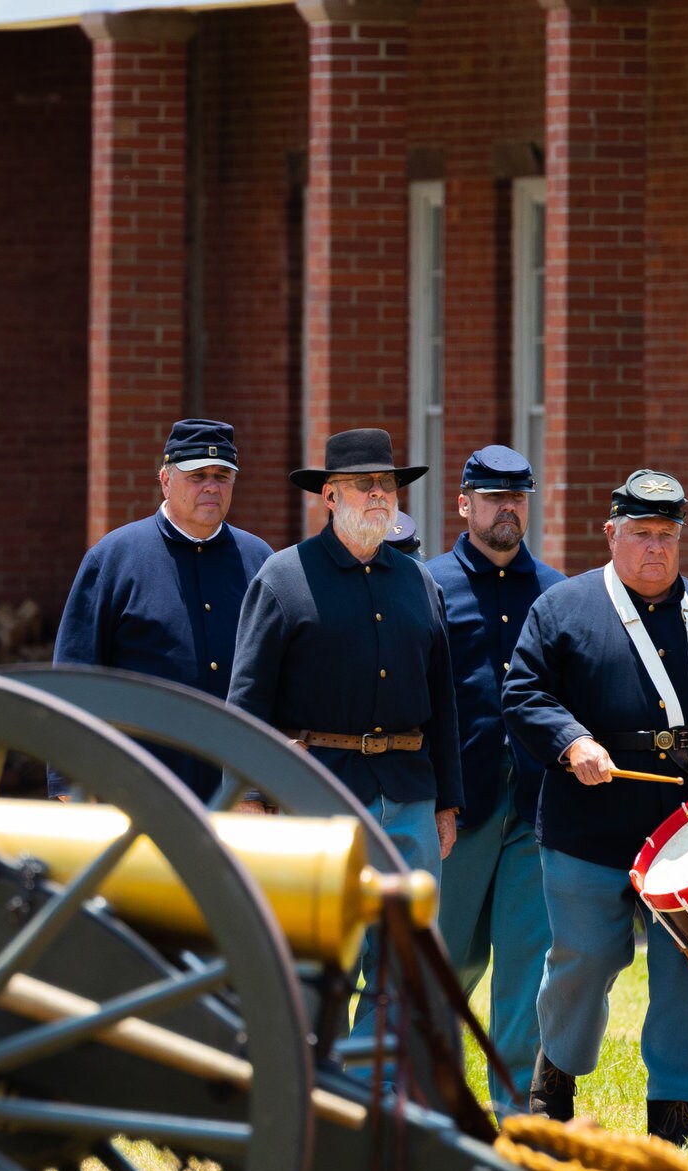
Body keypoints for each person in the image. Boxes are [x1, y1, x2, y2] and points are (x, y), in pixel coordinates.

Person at [502, 470, 688, 1149]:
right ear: (611, 534)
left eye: (666, 536)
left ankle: (675, 1112)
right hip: (588, 822)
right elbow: (524, 694)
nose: (654, 549)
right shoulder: (563, 609)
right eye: (641, 535)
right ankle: (554, 1088)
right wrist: (572, 743)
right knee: (584, 960)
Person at [229, 427, 463, 1057]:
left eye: (387, 485)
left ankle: (375, 1092)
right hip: (319, 795)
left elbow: (443, 699)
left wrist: (448, 801)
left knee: (406, 959)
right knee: (323, 959)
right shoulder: (283, 578)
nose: (379, 497)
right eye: (365, 486)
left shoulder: (419, 582)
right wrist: (248, 793)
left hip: (410, 797)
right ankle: (312, 1085)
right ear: (329, 496)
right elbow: (246, 699)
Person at [425, 446, 564, 1116]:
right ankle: (434, 1100)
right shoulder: (426, 586)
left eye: (517, 497)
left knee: (528, 967)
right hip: (456, 805)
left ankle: (519, 1108)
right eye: (491, 497)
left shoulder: (560, 594)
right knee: (446, 962)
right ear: (464, 504)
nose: (506, 509)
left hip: (537, 806)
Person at [55, 419, 272, 798]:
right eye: (196, 475)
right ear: (165, 480)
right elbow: (74, 677)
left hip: (237, 790)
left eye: (222, 475)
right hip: (138, 785)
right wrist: (69, 784)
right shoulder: (113, 558)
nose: (211, 486)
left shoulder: (260, 562)